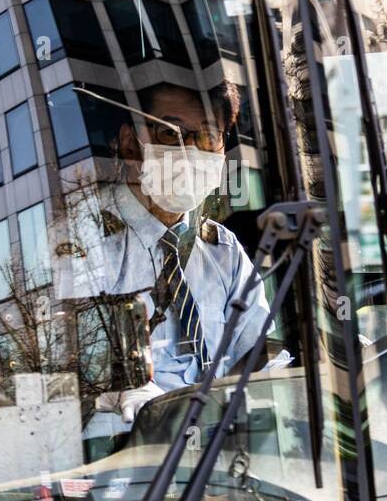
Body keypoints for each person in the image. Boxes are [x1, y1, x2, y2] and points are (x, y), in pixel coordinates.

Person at [52, 80, 272, 424]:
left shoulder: (222, 249)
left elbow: (255, 350)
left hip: (219, 445)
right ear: (130, 144)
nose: (191, 151)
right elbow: (69, 362)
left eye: (207, 137)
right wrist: (115, 388)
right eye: (171, 134)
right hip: (127, 450)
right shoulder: (82, 238)